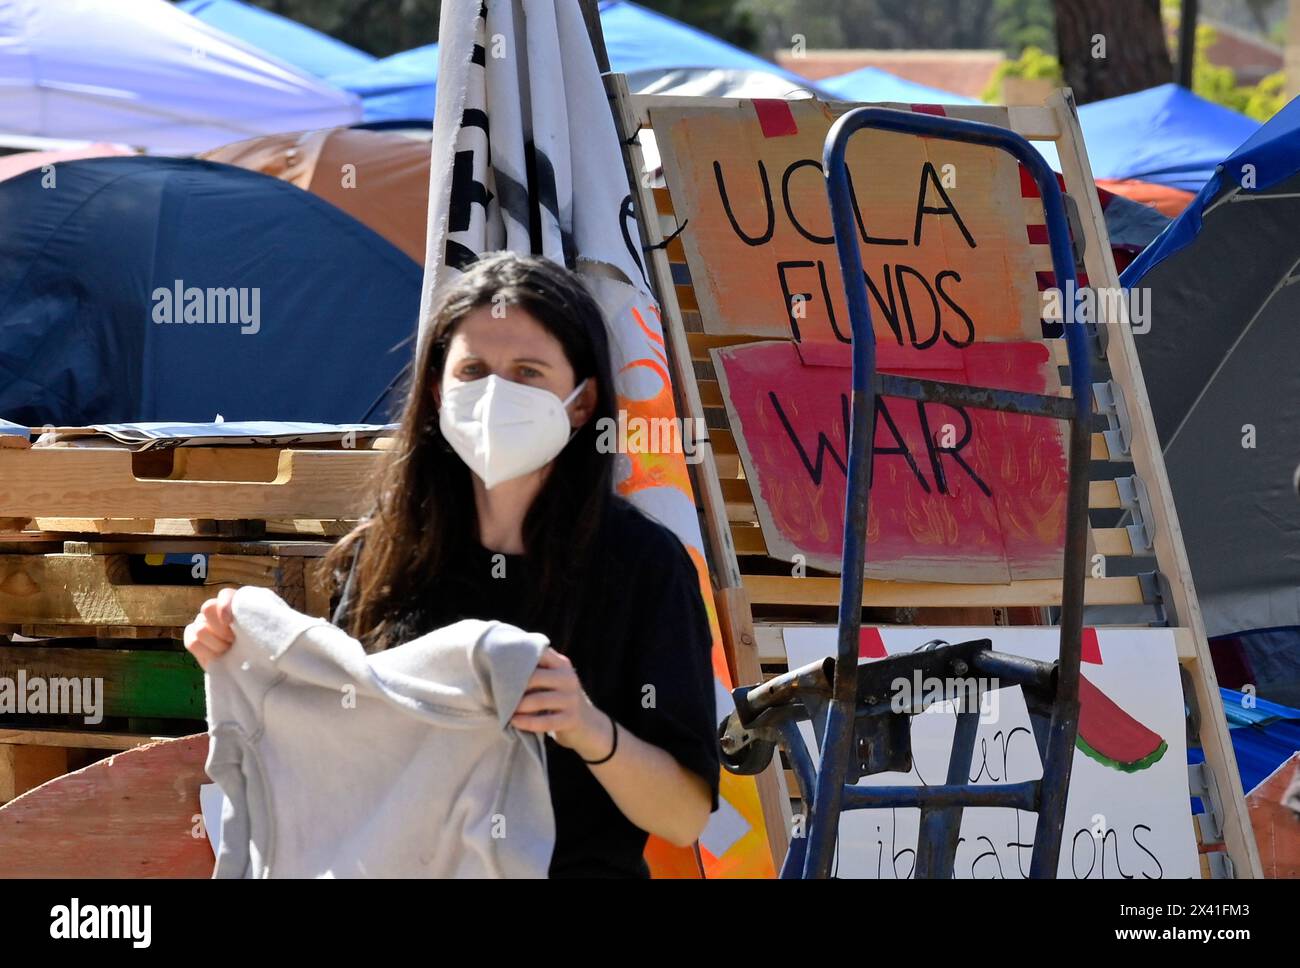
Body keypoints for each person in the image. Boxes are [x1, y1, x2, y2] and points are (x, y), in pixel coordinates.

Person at [185, 252, 720, 878]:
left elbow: (683, 817)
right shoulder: (386, 552)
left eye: (528, 372)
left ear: (582, 402)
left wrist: (586, 727)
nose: (498, 394)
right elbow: (343, 748)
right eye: (475, 371)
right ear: (439, 390)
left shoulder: (643, 568)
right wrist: (245, 652)